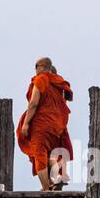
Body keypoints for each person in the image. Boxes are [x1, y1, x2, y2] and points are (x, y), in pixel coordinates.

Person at [17, 57, 74, 191]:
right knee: (50, 155)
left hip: (42, 123)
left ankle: (45, 187)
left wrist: (26, 123)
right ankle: (56, 179)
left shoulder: (41, 79)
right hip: (56, 125)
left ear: (41, 66)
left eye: (36, 66)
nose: (35, 69)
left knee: (39, 154)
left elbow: (34, 103)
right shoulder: (58, 82)